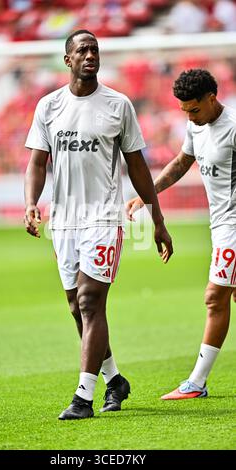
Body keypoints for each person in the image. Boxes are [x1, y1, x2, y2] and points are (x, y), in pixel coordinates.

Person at [24, 29, 173, 419]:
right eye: (82, 50)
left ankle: (83, 398)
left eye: (95, 49)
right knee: (77, 307)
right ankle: (114, 379)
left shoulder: (118, 105)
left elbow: (137, 166)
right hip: (64, 220)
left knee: (91, 301)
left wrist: (157, 218)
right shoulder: (49, 106)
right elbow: (37, 162)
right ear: (67, 60)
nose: (90, 55)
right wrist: (30, 204)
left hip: (104, 217)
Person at [126, 68, 236, 399]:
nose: (189, 115)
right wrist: (148, 196)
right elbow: (179, 164)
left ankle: (196, 383)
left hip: (234, 226)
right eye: (184, 110)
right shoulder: (196, 125)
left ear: (211, 98)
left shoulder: (232, 127)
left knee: (214, 297)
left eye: (194, 109)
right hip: (220, 225)